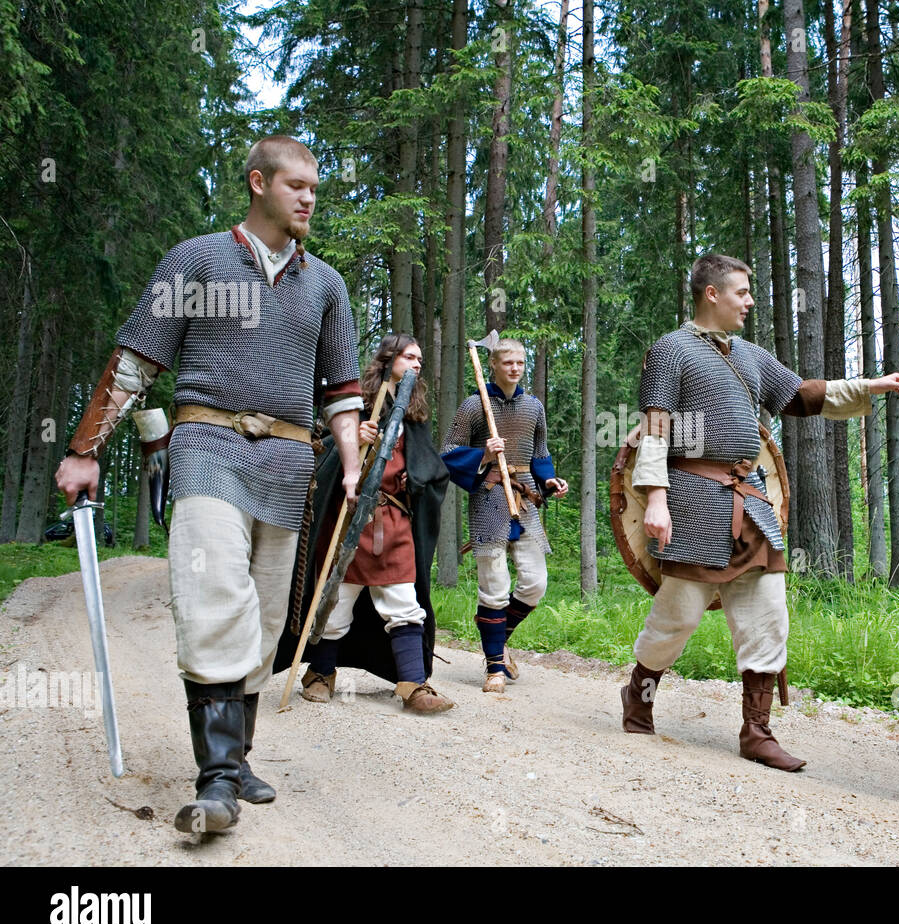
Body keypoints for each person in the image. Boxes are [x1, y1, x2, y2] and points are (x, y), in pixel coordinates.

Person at [55, 135, 364, 834]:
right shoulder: (196, 260)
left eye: (315, 187)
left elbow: (342, 393)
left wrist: (348, 463)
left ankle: (239, 754)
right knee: (215, 595)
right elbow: (135, 362)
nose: (309, 197)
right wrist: (84, 449)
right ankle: (217, 779)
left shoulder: (327, 285)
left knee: (261, 617)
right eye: (296, 185)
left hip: (287, 461)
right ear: (258, 184)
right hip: (207, 447)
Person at [622, 252, 899, 771]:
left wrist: (870, 387)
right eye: (742, 292)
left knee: (767, 616)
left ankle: (757, 731)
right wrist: (658, 498)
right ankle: (639, 696)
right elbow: (657, 429)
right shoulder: (670, 351)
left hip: (750, 500)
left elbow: (801, 396)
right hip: (692, 499)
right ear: (712, 294)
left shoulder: (751, 355)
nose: (750, 302)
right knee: (679, 616)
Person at [276, 333, 453, 714]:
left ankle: (412, 683)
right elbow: (322, 458)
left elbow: (431, 469)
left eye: (420, 358)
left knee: (404, 603)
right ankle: (321, 673)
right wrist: (353, 442)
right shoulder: (355, 408)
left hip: (394, 521)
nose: (417, 364)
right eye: (409, 357)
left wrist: (415, 479)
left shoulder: (413, 416)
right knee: (337, 601)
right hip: (350, 519)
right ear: (388, 361)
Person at [442, 339, 568, 693]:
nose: (515, 368)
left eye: (520, 362)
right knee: (494, 587)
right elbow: (447, 453)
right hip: (490, 498)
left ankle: (497, 636)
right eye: (508, 362)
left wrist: (549, 480)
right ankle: (495, 665)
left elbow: (540, 455)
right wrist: (482, 454)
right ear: (494, 365)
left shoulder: (533, 407)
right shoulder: (473, 405)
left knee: (535, 583)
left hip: (525, 499)